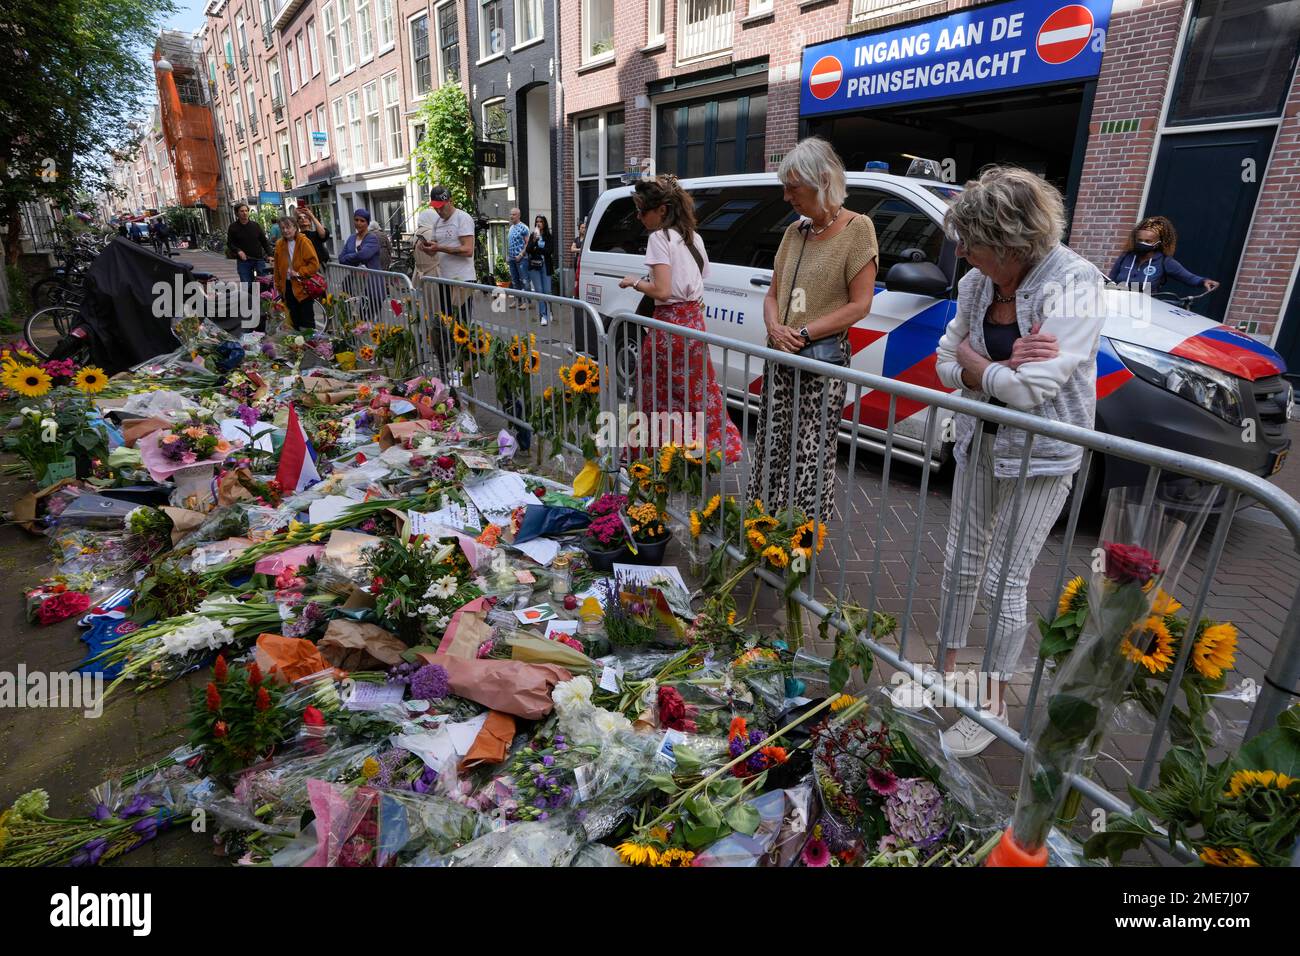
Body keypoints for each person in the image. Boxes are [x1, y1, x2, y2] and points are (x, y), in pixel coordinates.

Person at [901, 165, 1107, 758]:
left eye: (971, 242)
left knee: (1004, 579)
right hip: (979, 439)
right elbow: (944, 362)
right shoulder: (976, 285)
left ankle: (988, 704)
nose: (961, 253)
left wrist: (982, 368)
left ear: (1009, 239)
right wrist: (998, 368)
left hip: (1043, 454)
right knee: (961, 561)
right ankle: (942, 672)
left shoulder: (1074, 283)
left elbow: (1033, 391)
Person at [745, 137, 877, 520]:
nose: (786, 196)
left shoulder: (858, 229)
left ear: (822, 180)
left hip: (820, 363)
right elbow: (773, 294)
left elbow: (860, 305)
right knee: (771, 444)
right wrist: (774, 325)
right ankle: (762, 527)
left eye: (793, 187)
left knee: (810, 454)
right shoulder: (793, 233)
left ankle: (799, 541)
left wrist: (802, 333)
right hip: (782, 358)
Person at [619, 174, 743, 465]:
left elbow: (661, 290)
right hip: (694, 323)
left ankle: (656, 457)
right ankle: (702, 451)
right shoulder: (693, 238)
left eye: (642, 211)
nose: (638, 217)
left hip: (669, 326)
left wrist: (634, 282)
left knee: (657, 396)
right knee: (697, 395)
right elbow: (699, 281)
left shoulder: (659, 238)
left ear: (662, 210)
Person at [1108, 215, 1219, 295]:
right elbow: (1110, 280)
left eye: (1148, 241)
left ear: (1159, 243)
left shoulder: (1164, 261)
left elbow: (1189, 277)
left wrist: (1204, 281)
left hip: (1143, 311)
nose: (1143, 243)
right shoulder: (1126, 257)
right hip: (1118, 306)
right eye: (1140, 240)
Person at [273, 215, 322, 332]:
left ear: (295, 227)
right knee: (293, 321)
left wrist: (299, 273)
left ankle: (310, 345)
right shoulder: (279, 244)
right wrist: (279, 287)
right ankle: (297, 347)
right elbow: (277, 268)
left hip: (303, 286)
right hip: (288, 287)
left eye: (288, 227)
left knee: (307, 321)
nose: (285, 230)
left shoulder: (304, 241)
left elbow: (314, 265)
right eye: (283, 228)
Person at [226, 203, 273, 287]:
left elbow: (264, 242)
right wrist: (238, 251)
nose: (245, 213)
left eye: (246, 211)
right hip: (243, 261)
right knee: (246, 284)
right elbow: (230, 243)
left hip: (258, 258)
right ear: (237, 213)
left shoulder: (255, 226)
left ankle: (263, 299)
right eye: (242, 211)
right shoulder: (233, 227)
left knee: (264, 282)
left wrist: (270, 255)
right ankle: (250, 299)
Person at [525, 215, 554, 325]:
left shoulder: (548, 236)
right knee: (539, 291)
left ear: (544, 223)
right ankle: (543, 315)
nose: (538, 223)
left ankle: (549, 310)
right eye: (537, 221)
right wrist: (534, 241)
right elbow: (528, 250)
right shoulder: (533, 235)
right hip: (534, 267)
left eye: (541, 221)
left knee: (547, 291)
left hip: (545, 266)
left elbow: (549, 251)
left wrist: (537, 249)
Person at [507, 208, 529, 308]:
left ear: (519, 215)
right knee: (515, 280)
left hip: (522, 259)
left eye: (514, 214)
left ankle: (526, 301)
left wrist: (521, 255)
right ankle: (518, 300)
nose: (512, 216)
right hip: (512, 259)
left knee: (524, 280)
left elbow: (528, 243)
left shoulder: (524, 228)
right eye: (511, 214)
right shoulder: (511, 228)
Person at [569, 218, 587, 296]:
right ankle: (576, 295)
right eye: (582, 228)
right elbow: (572, 249)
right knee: (576, 279)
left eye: (585, 227)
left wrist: (577, 249)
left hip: (585, 261)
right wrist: (581, 250)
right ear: (579, 229)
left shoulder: (587, 239)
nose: (583, 229)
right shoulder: (576, 239)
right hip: (577, 261)